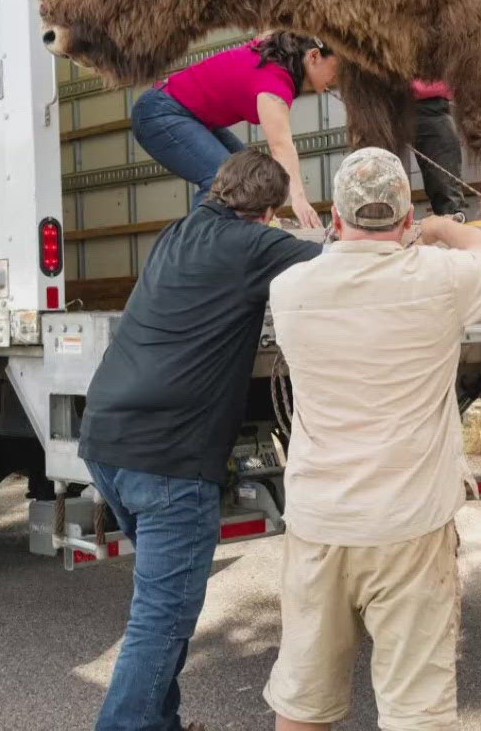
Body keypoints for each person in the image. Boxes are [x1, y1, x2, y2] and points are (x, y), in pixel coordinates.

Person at [77, 149, 323, 731]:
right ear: (268, 211)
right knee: (161, 619)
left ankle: (159, 723)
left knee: (163, 608)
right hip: (170, 458)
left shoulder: (176, 233)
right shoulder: (255, 245)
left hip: (107, 439)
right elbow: (346, 259)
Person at [261, 147, 481, 731]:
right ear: (405, 218)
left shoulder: (289, 288)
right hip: (410, 525)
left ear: (335, 218)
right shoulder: (441, 278)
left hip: (319, 519)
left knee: (304, 700)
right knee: (415, 710)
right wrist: (441, 227)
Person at [130, 31, 341, 226]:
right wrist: (299, 199)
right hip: (159, 112)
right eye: (337, 69)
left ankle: (248, 234)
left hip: (193, 117)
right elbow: (281, 146)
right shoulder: (274, 83)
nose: (338, 78)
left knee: (252, 176)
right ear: (314, 56)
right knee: (223, 182)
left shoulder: (272, 52)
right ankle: (195, 246)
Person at [411, 80, 472, 218]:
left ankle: (453, 222)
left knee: (447, 192)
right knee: (383, 187)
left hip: (433, 104)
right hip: (380, 101)